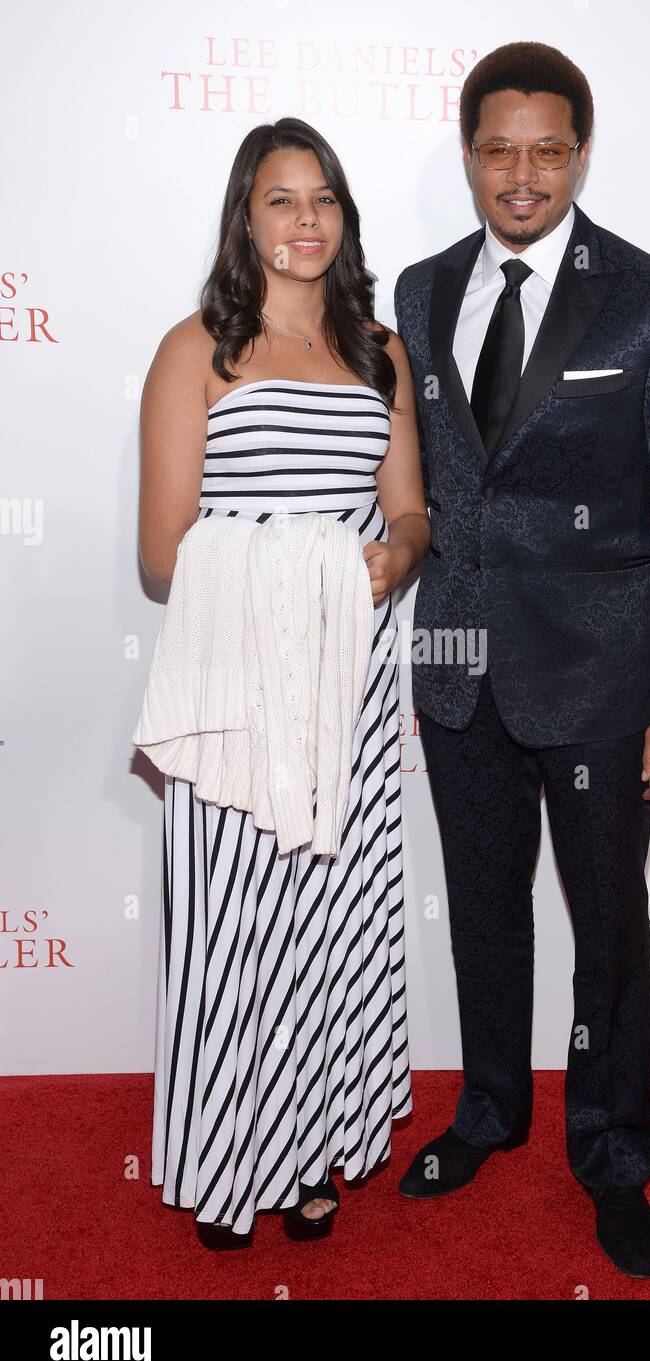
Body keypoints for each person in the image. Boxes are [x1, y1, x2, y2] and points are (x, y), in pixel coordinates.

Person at [394, 41, 650, 1279]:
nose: (521, 175)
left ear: (579, 152)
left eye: (546, 150)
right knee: (483, 914)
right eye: (498, 150)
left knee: (604, 930)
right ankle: (489, 1109)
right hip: (455, 661)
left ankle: (612, 1155)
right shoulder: (421, 294)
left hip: (599, 677)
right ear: (469, 152)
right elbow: (424, 485)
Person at [138, 116, 429, 1248]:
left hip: (346, 692)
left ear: (344, 217)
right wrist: (299, 558)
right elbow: (164, 552)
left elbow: (407, 510)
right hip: (232, 688)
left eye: (323, 200)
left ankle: (309, 1144)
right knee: (236, 929)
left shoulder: (378, 349)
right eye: (279, 201)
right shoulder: (194, 352)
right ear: (245, 218)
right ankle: (225, 1158)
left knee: (327, 924)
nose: (304, 221)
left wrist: (397, 556)